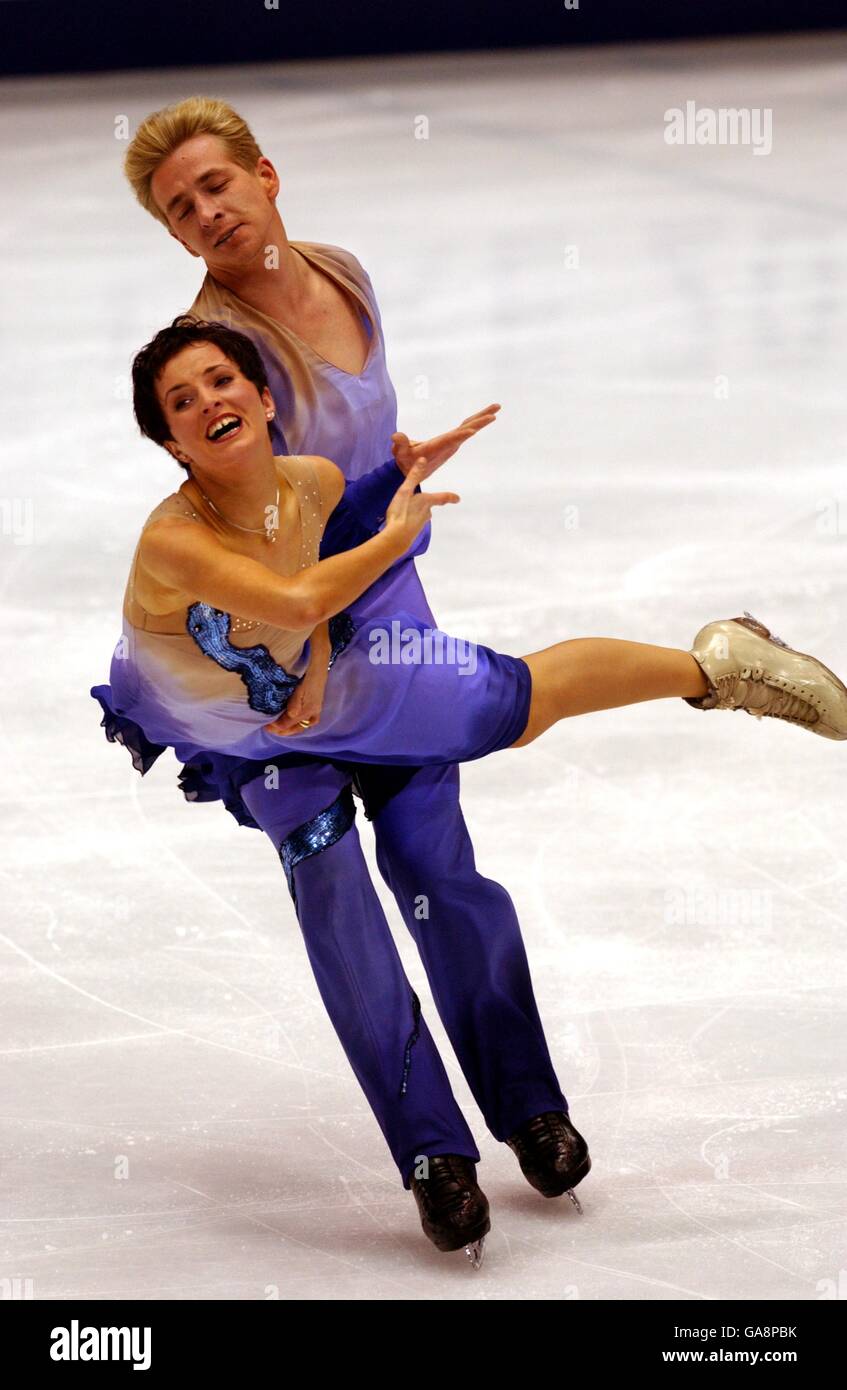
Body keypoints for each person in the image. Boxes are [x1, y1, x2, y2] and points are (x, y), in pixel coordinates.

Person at [93, 321, 847, 1265]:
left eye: (221, 380)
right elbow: (290, 600)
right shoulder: (171, 538)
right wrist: (388, 542)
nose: (209, 401)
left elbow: (316, 588)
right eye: (182, 400)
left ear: (264, 396)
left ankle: (717, 666)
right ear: (170, 442)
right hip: (254, 744)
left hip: (347, 686)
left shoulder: (312, 483)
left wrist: (323, 657)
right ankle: (432, 1158)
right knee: (336, 896)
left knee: (457, 818)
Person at [118, 96, 591, 1264]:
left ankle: (527, 1100)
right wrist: (312, 648)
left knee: (436, 862)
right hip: (272, 667)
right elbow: (253, 540)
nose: (205, 212)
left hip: (387, 615)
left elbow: (343, 465)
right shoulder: (214, 356)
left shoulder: (342, 272)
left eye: (216, 184)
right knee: (333, 882)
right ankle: (431, 1151)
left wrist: (396, 468)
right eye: (180, 208)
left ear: (265, 175)